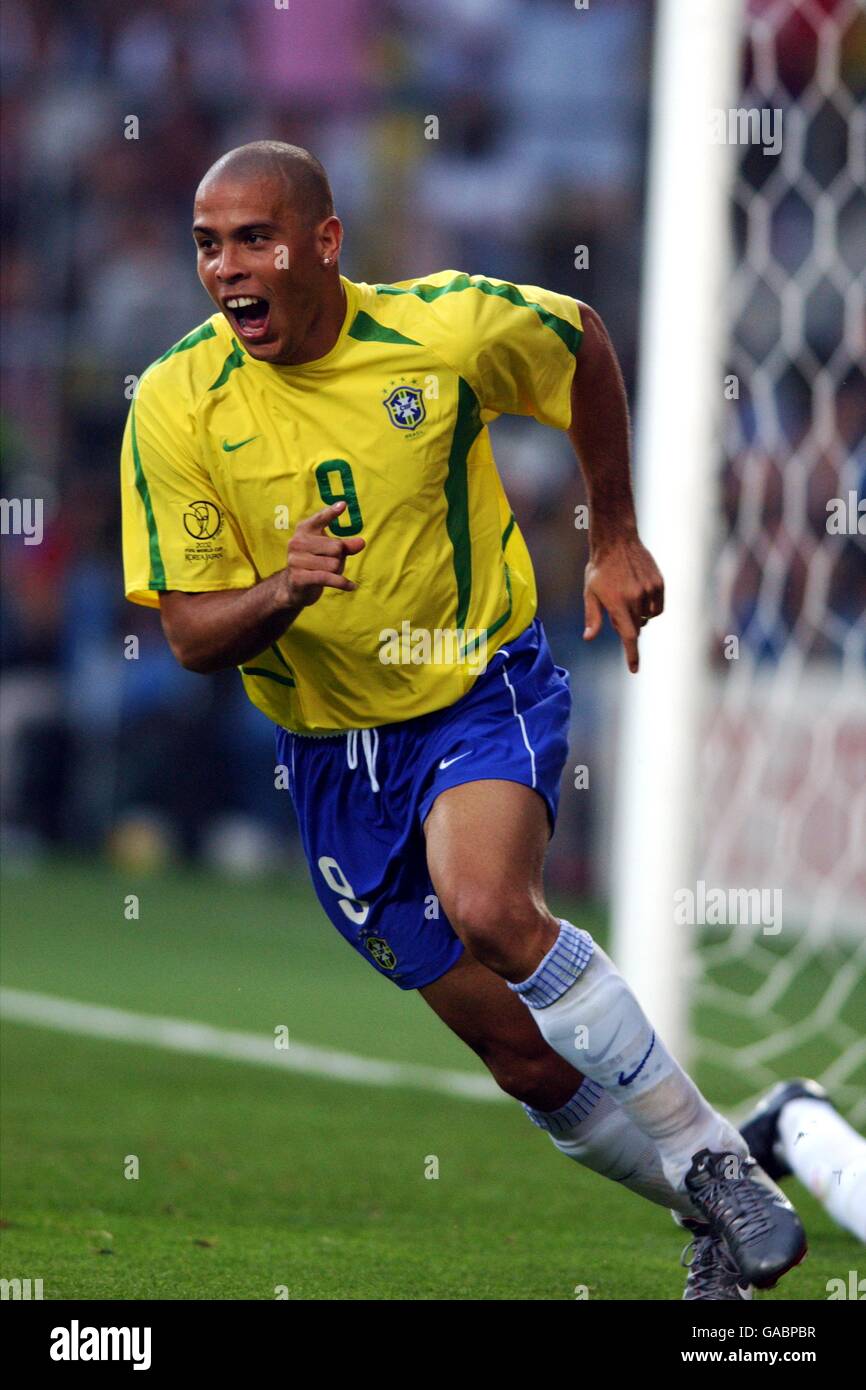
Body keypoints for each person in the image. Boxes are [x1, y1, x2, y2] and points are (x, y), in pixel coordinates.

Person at [120, 140, 806, 1299]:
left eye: (255, 238)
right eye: (208, 245)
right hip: (333, 757)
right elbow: (190, 634)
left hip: (473, 688)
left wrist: (615, 530)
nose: (229, 269)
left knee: (490, 905)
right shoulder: (180, 401)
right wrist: (280, 588)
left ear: (324, 242)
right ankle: (729, 1182)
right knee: (525, 1059)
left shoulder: (440, 332)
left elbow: (578, 338)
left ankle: (707, 1156)